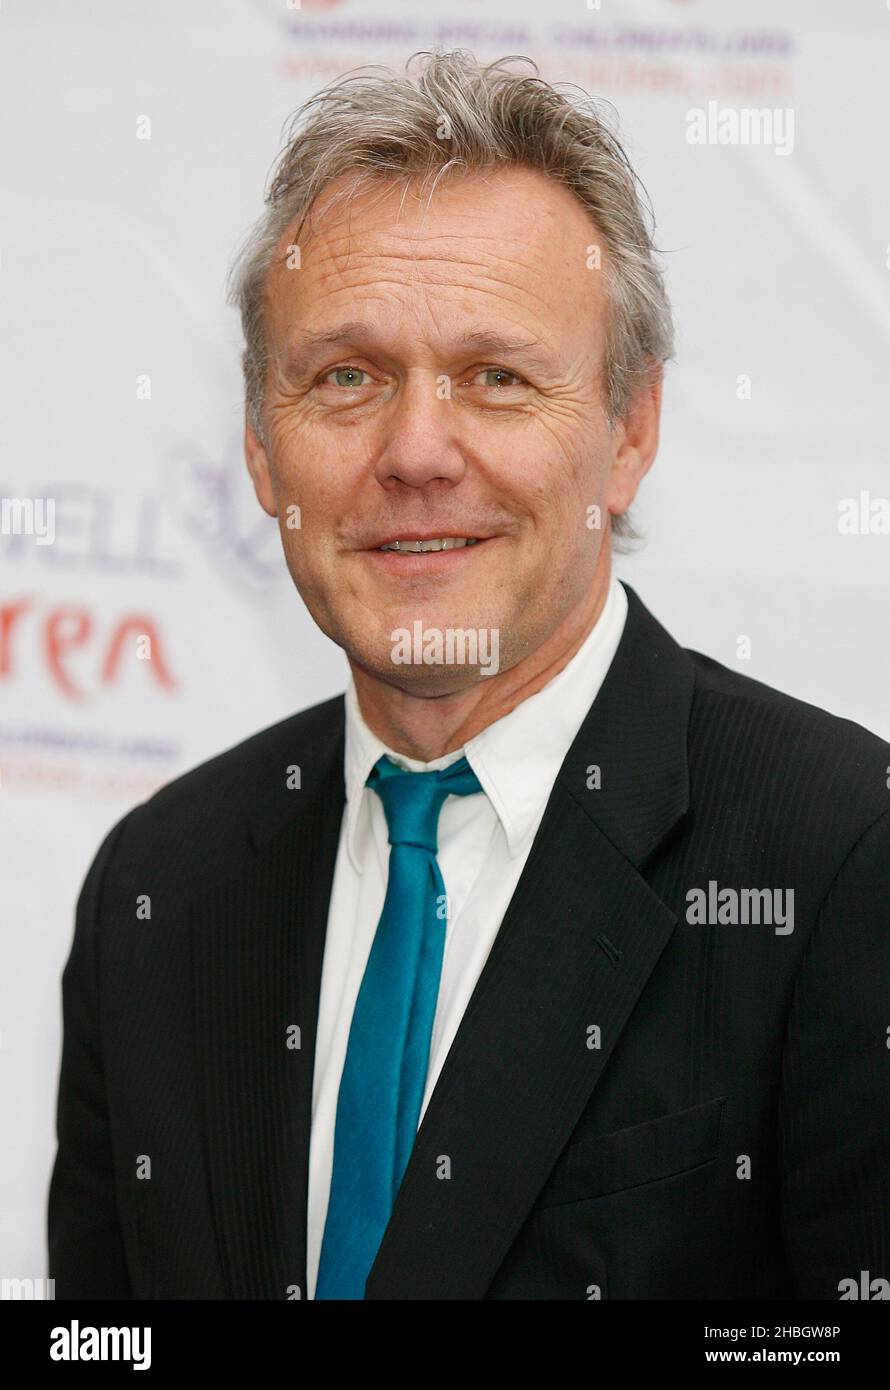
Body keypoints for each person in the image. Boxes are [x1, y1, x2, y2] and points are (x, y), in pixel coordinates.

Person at [48, 49, 890, 1300]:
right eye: (346, 376)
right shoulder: (157, 886)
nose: (416, 451)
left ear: (630, 430)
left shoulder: (841, 858)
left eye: (496, 378)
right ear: (260, 442)